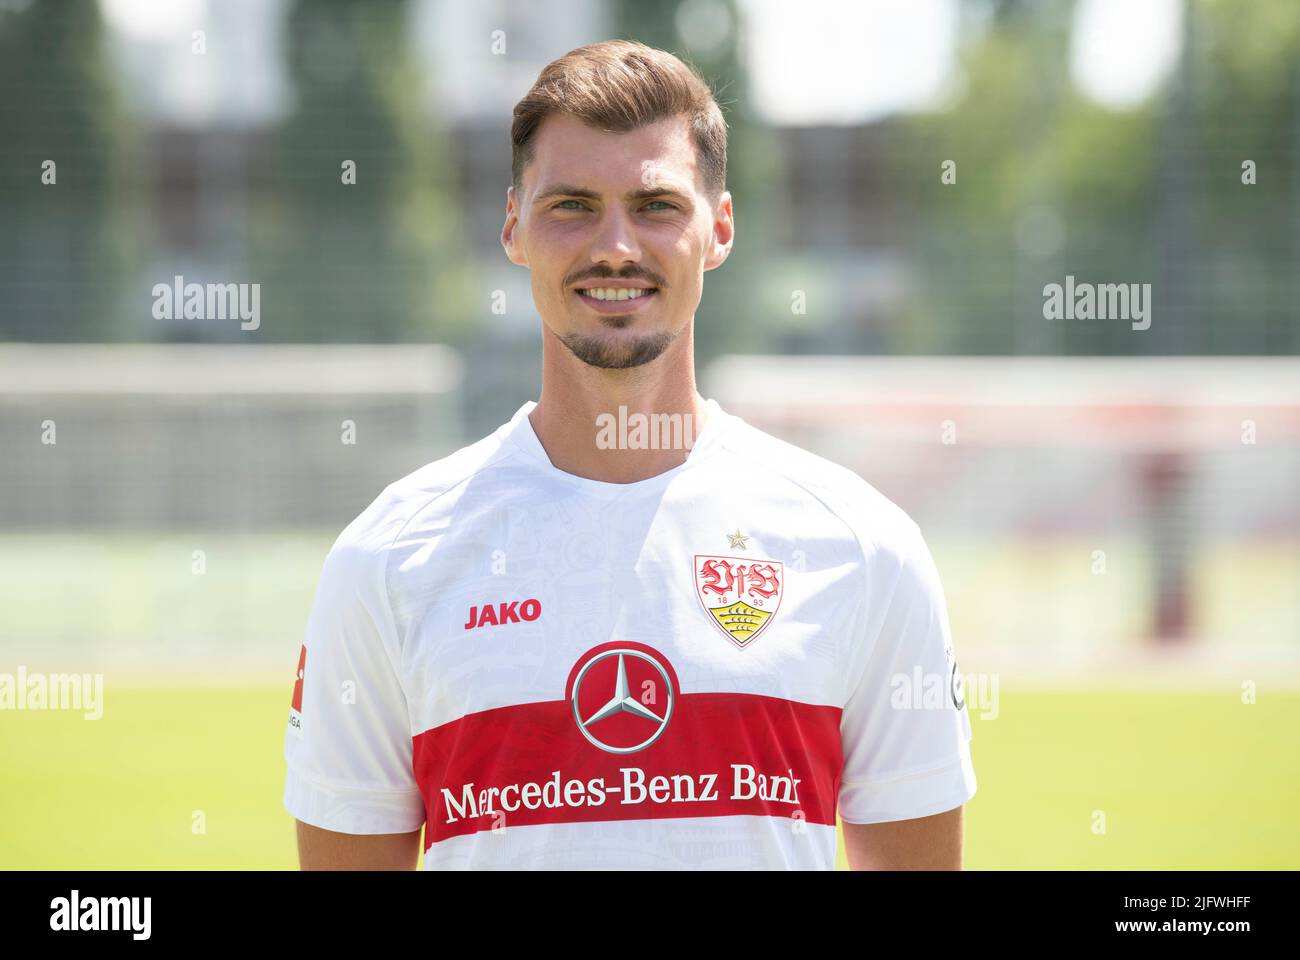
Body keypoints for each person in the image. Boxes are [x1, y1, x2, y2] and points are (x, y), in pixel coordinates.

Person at [284, 39, 974, 870]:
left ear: (719, 230)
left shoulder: (865, 548)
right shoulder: (388, 560)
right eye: (571, 205)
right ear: (513, 227)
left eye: (655, 206)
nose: (615, 246)